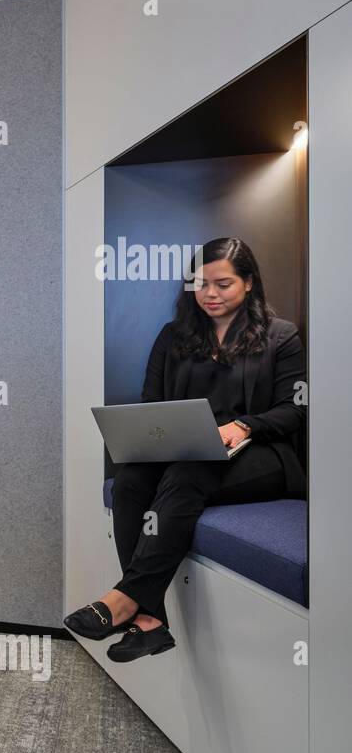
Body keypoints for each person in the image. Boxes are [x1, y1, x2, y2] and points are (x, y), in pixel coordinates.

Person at [65, 237, 307, 661]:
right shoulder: (172, 336)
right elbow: (152, 403)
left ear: (249, 283)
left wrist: (242, 424)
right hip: (185, 452)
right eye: (200, 283)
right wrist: (157, 434)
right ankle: (150, 623)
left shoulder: (281, 337)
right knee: (131, 481)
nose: (210, 294)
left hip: (260, 456)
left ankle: (126, 601)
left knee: (186, 474)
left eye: (223, 284)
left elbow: (295, 410)